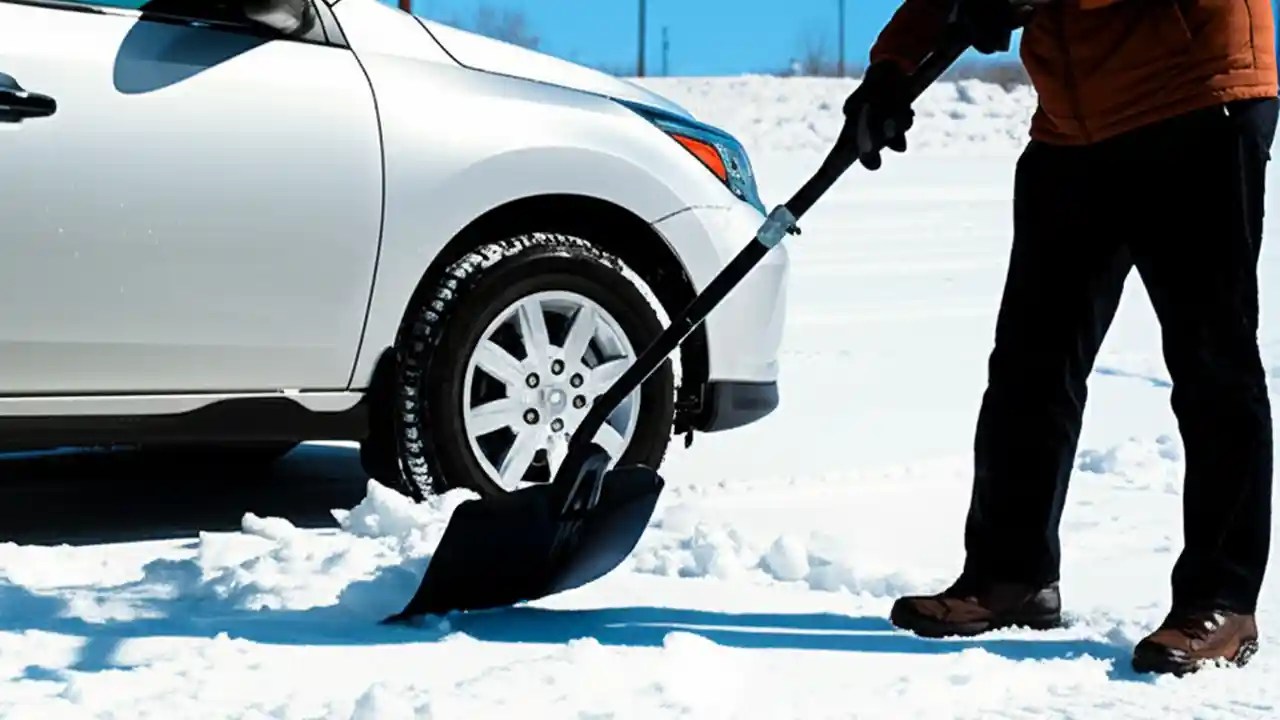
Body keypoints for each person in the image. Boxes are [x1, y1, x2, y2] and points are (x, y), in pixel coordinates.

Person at [843, 0, 1278, 675]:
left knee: (1211, 361)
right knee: (1030, 364)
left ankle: (1221, 602)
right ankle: (1011, 576)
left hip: (1196, 95)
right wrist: (892, 66)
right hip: (1074, 128)